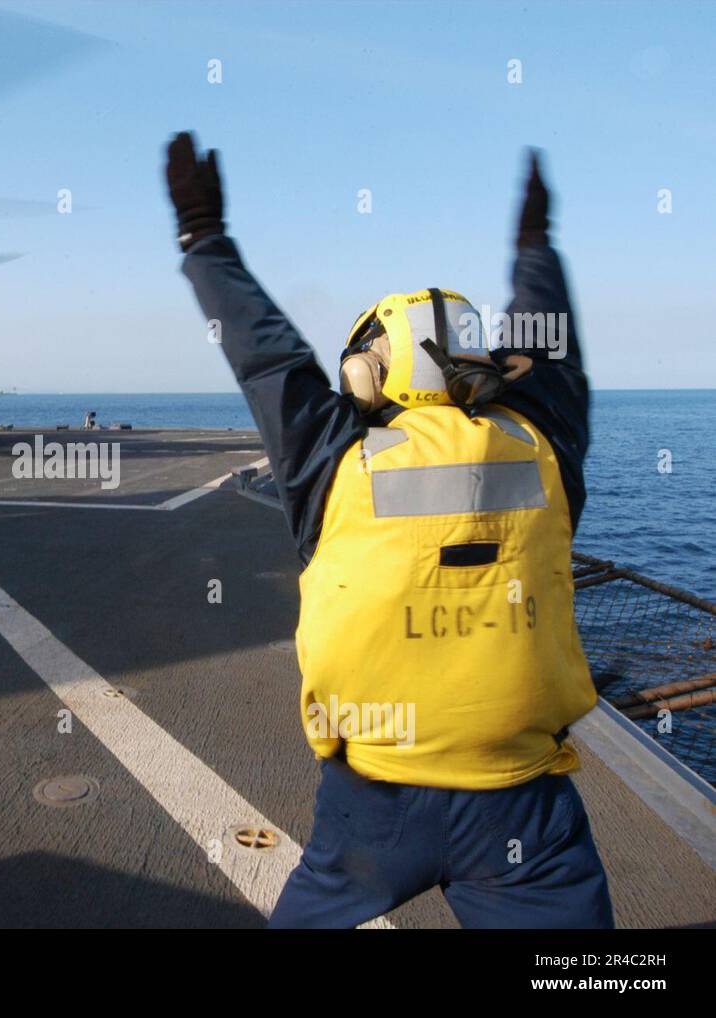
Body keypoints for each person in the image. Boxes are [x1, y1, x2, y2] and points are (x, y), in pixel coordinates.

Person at [165, 132, 612, 929]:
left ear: (369, 372)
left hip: (375, 806)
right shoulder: (545, 445)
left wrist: (203, 236)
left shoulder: (334, 458)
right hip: (524, 809)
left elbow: (264, 356)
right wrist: (536, 247)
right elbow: (553, 346)